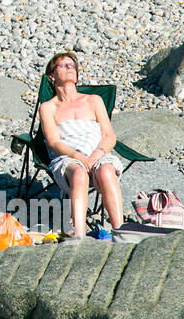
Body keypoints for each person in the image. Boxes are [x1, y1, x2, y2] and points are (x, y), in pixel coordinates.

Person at [37, 51, 125, 238]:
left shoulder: (94, 100)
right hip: (67, 158)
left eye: (72, 66)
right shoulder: (48, 107)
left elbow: (109, 136)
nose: (70, 68)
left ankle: (121, 231)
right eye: (63, 65)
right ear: (51, 76)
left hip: (98, 154)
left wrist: (95, 156)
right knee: (79, 174)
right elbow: (53, 142)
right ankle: (79, 235)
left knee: (106, 170)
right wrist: (77, 157)